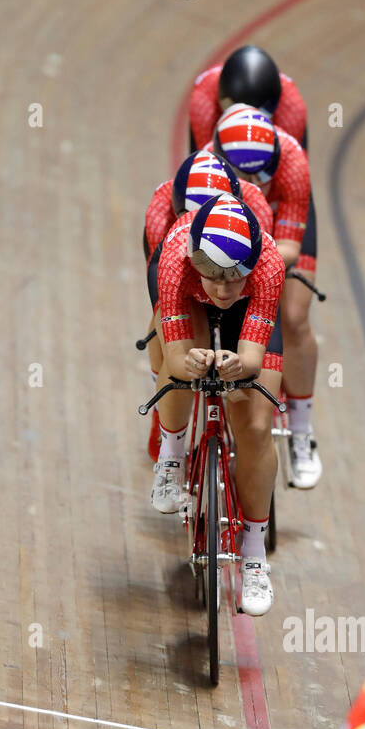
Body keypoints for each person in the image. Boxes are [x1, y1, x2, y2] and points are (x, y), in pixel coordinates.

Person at [151, 192, 285, 615]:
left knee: (257, 427)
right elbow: (173, 358)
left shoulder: (269, 264)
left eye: (234, 277)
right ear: (195, 258)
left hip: (247, 320)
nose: (225, 288)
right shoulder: (175, 255)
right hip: (188, 302)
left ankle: (253, 553)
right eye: (215, 276)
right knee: (178, 374)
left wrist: (235, 365)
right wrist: (191, 359)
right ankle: (170, 459)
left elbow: (251, 359)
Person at [212, 106, 320, 489]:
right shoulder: (207, 168)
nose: (251, 182)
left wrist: (258, 264)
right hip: (226, 236)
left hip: (277, 238)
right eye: (243, 175)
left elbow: (287, 247)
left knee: (291, 316)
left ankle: (302, 430)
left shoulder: (292, 162)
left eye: (260, 174)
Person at [142, 151, 274, 462]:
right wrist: (180, 358)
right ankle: (162, 415)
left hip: (238, 287)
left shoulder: (258, 217)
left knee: (245, 389)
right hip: (187, 279)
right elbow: (169, 303)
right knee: (166, 328)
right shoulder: (166, 225)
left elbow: (262, 284)